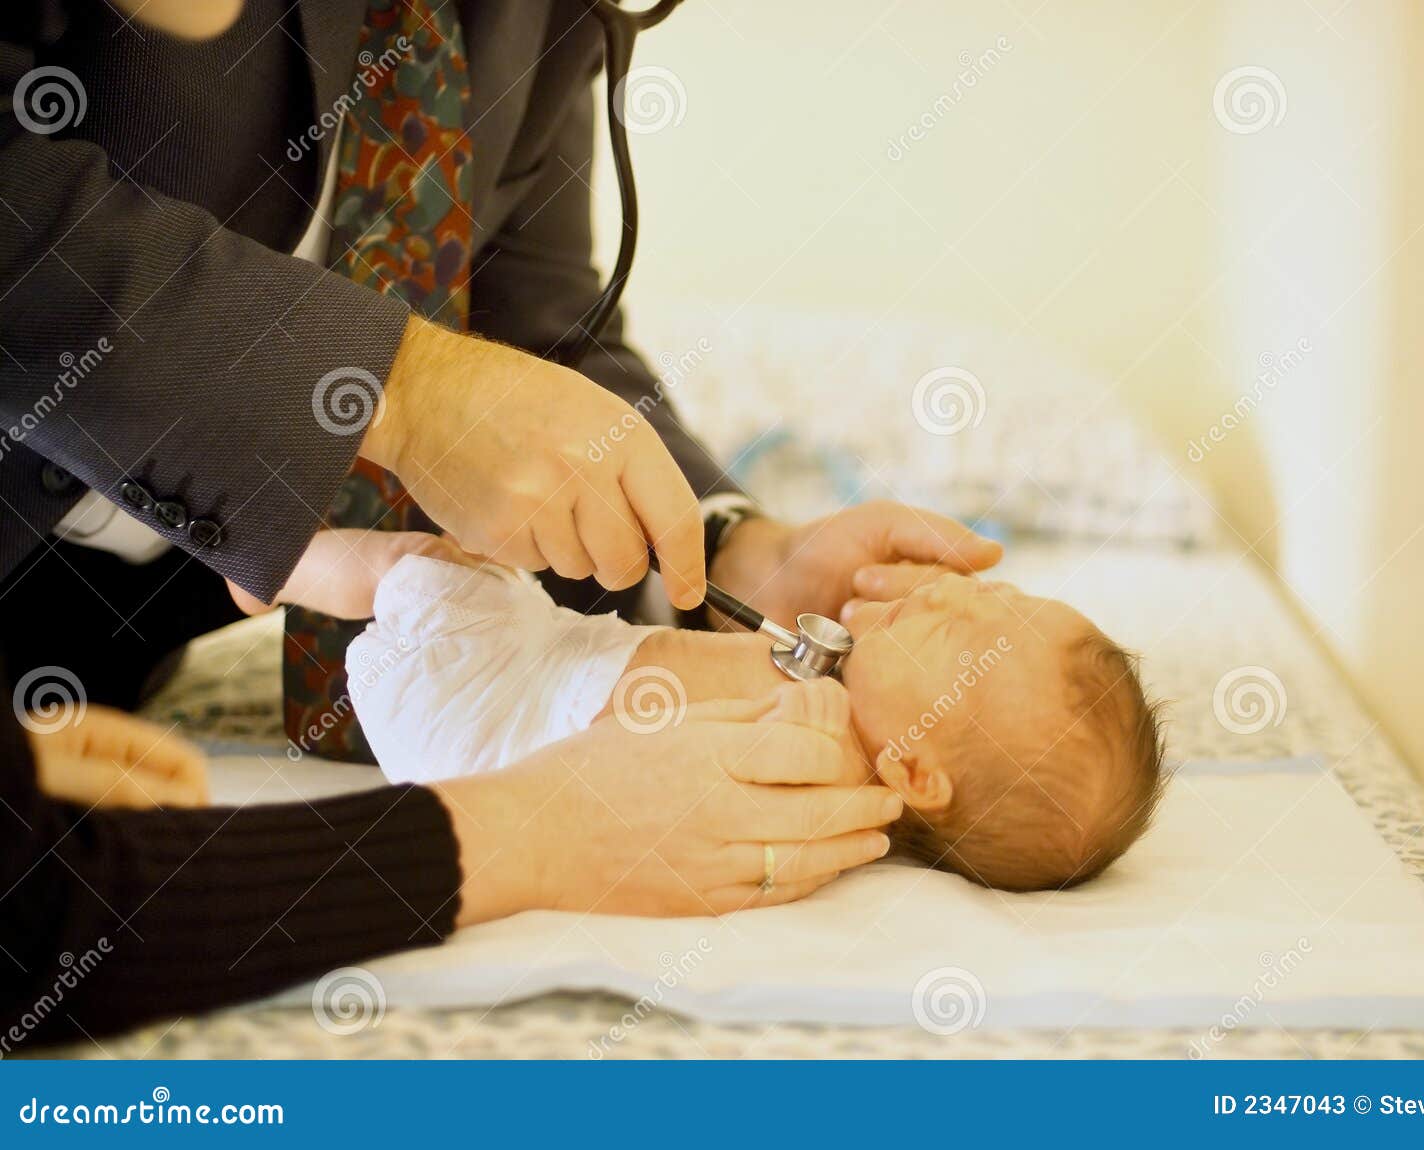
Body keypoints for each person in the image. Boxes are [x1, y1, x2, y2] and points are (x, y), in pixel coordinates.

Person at [0, 0, 1000, 1046]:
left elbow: (536, 328)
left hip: (111, 659)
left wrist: (738, 548)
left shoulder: (545, 21)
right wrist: (404, 387)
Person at [348, 551, 1167, 891]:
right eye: (993, 593)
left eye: (958, 631)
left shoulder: (817, 759)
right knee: (436, 568)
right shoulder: (842, 704)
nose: (948, 589)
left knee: (413, 569)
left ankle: (293, 561)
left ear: (916, 771)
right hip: (542, 660)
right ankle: (292, 564)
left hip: (493, 723)